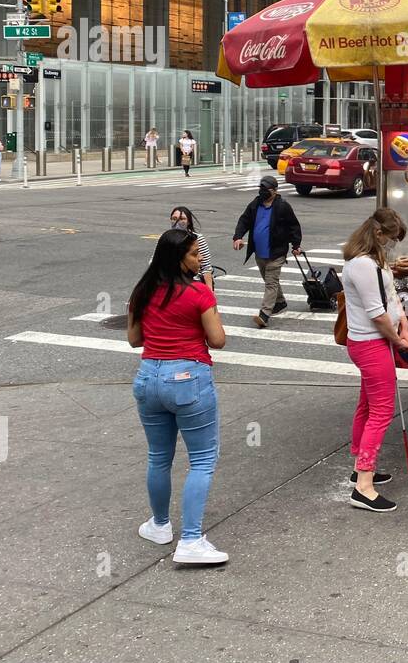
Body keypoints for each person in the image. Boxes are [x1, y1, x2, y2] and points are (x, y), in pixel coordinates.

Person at [126, 228, 229, 564]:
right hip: (187, 378)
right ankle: (191, 540)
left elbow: (133, 339)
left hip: (148, 377)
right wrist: (208, 302)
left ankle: (159, 525)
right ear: (178, 258)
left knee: (158, 456)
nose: (200, 260)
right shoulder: (198, 292)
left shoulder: (142, 290)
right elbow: (217, 340)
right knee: (201, 460)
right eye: (194, 255)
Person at [340, 207, 408, 513]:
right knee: (381, 411)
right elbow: (376, 312)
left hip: (374, 342)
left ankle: (362, 467)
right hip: (370, 344)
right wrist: (397, 339)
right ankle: (364, 486)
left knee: (369, 405)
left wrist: (405, 325)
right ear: (378, 233)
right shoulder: (361, 266)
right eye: (391, 240)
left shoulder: (373, 260)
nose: (392, 246)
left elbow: (391, 297)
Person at [232, 174, 302, 328]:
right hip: (259, 253)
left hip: (276, 253)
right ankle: (280, 302)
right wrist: (237, 237)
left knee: (270, 283)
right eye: (260, 188)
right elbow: (244, 220)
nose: (262, 192)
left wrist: (296, 245)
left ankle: (264, 314)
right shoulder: (256, 204)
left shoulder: (282, 206)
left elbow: (294, 227)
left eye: (265, 189)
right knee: (270, 280)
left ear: (274, 191)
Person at [170, 206, 213, 289]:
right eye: (174, 218)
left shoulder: (197, 238)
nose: (177, 222)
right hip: (171, 283)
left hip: (193, 283)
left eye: (182, 219)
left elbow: (206, 268)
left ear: (188, 222)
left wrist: (210, 290)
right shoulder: (165, 238)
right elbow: (153, 262)